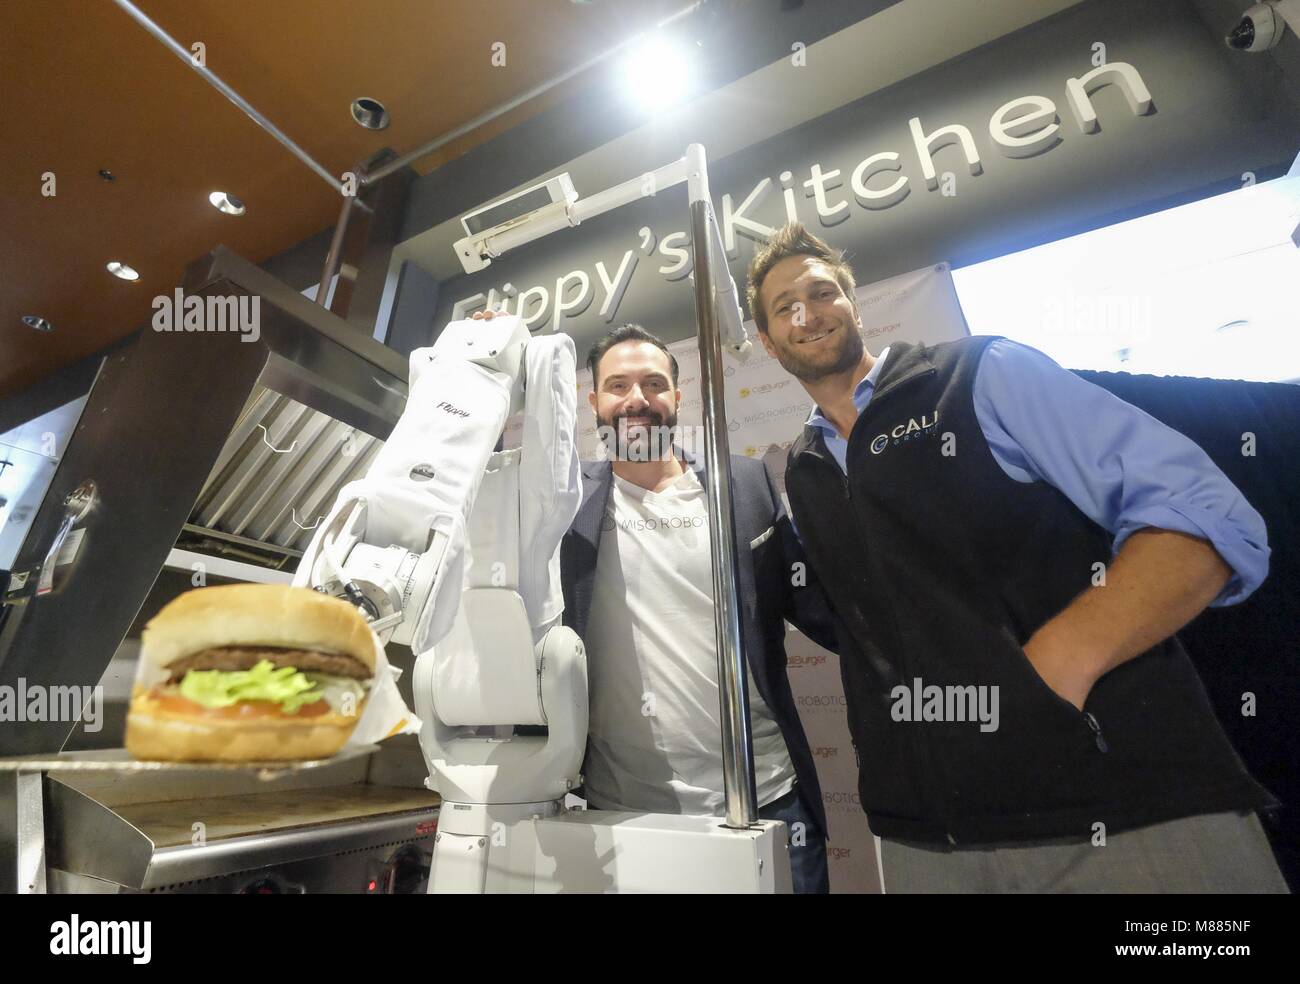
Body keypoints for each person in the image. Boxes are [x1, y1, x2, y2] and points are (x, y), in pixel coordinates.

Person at [743, 222, 1288, 892]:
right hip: (926, 845)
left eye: (822, 290)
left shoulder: (980, 376)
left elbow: (1205, 516)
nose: (809, 312)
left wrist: (1057, 663)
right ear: (768, 343)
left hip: (1120, 817)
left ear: (853, 304)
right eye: (785, 306)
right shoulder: (802, 471)